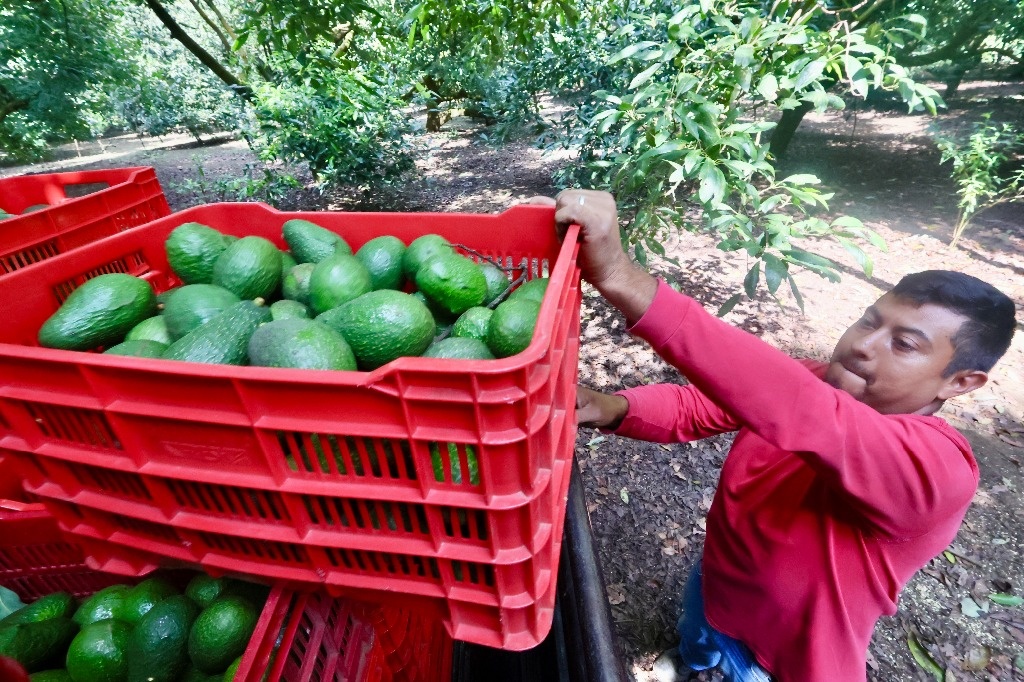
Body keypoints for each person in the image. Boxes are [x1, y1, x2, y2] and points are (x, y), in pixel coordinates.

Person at [535, 189, 1017, 682]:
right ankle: (692, 659)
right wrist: (610, 407)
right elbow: (704, 405)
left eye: (904, 344)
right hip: (718, 579)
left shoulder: (936, 470)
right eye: (868, 321)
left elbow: (803, 411)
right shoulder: (816, 378)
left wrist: (620, 276)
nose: (862, 345)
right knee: (697, 634)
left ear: (961, 382)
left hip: (782, 655)